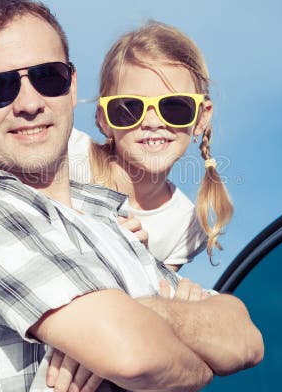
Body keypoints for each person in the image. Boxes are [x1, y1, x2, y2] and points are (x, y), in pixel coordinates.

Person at [0, 0, 263, 392]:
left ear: (72, 86)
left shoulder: (113, 223)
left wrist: (146, 313)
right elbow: (131, 353)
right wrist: (196, 357)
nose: (29, 103)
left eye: (49, 78)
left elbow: (244, 338)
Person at [68, 21, 233, 270]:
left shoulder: (186, 226)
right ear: (104, 119)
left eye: (175, 107)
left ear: (201, 118)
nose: (153, 122)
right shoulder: (68, 154)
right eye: (130, 108)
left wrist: (138, 263)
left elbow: (154, 299)